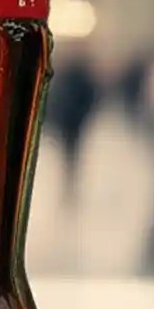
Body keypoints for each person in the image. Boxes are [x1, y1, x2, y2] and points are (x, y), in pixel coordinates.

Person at [48, 52, 99, 201]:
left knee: (68, 155)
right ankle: (70, 185)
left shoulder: (66, 78)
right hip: (73, 123)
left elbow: (57, 99)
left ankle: (68, 185)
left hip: (70, 123)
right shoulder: (81, 78)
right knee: (71, 155)